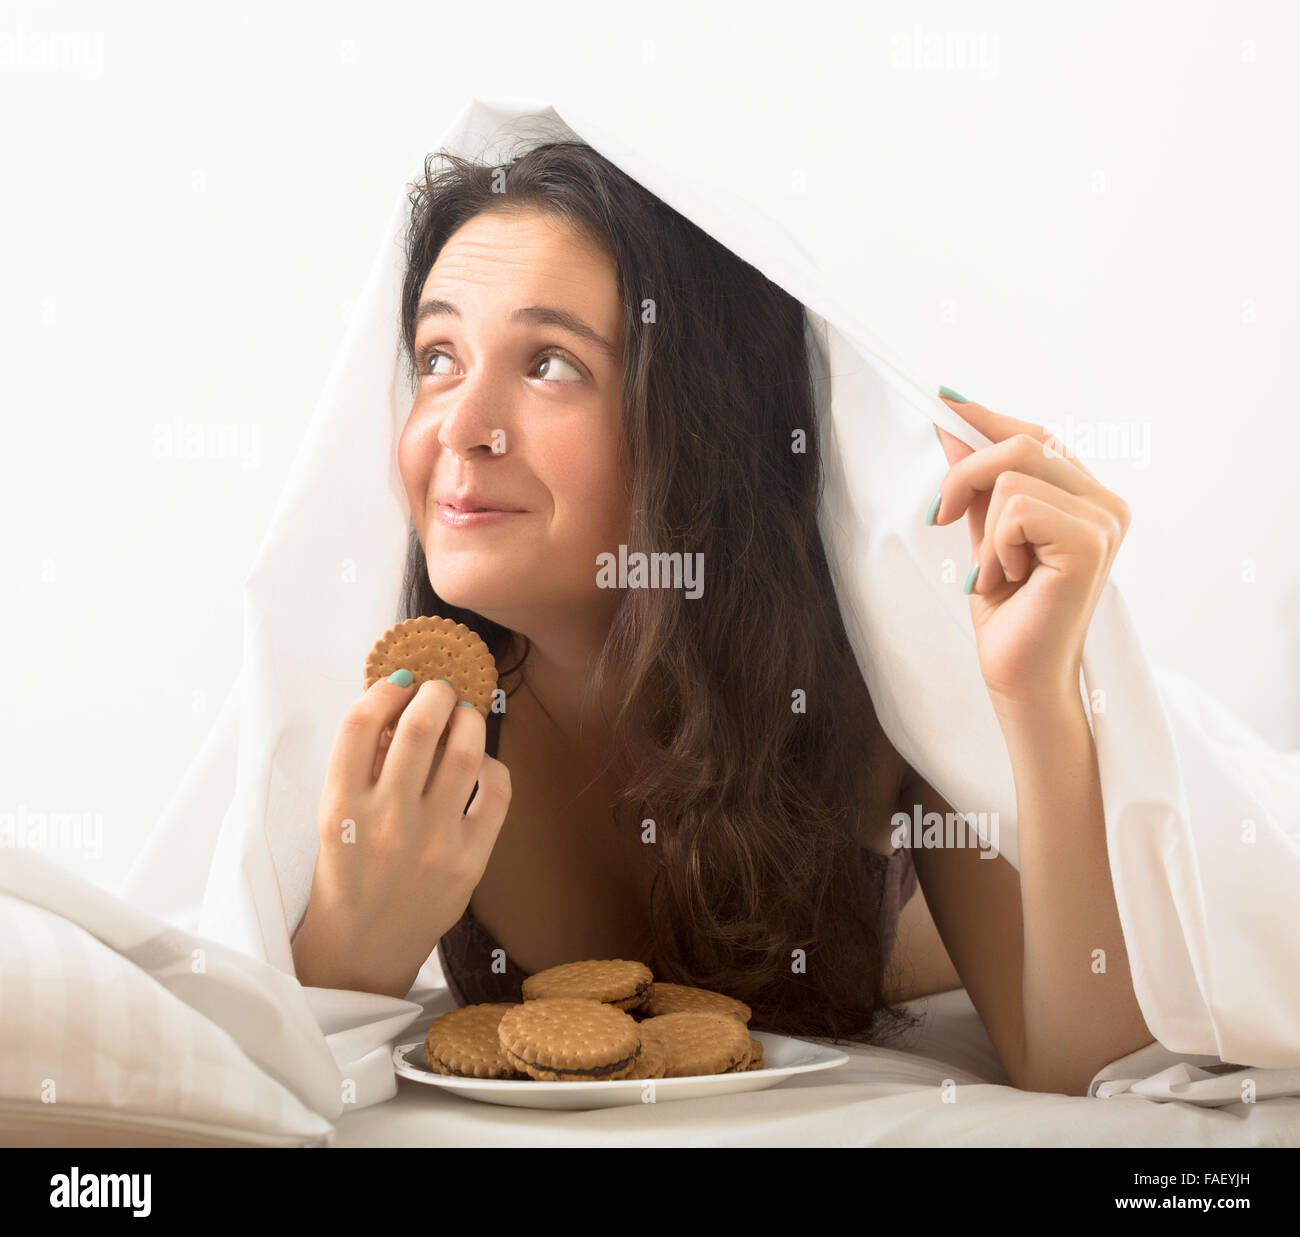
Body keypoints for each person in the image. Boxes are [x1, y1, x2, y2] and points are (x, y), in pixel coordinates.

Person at [291, 141, 1154, 1096]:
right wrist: (346, 935)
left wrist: (1039, 693)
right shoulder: (390, 709)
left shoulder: (870, 681)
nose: (460, 425)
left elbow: (1091, 1070)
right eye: (438, 356)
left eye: (549, 363)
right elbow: (244, 1065)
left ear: (698, 426)